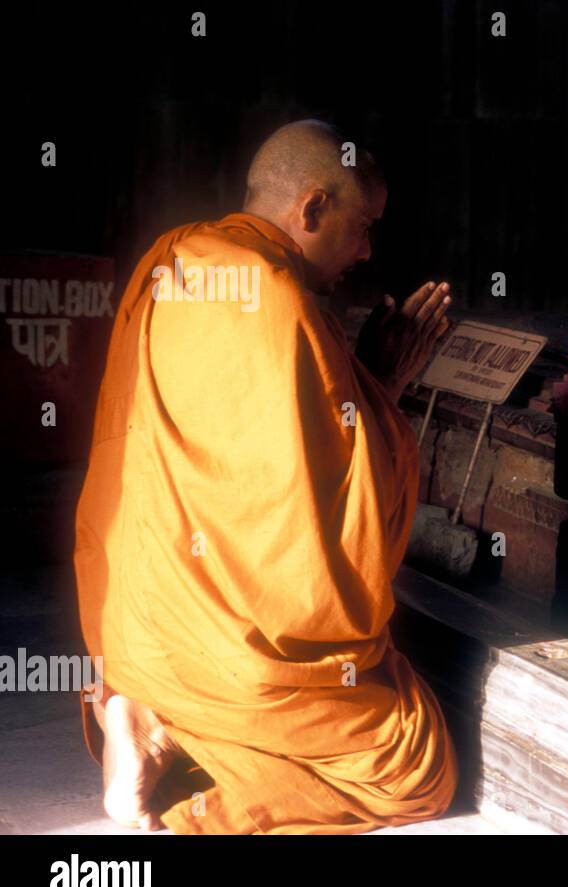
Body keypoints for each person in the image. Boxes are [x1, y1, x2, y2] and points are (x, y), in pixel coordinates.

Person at [74, 119, 459, 832]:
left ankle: (148, 722)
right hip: (229, 657)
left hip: (135, 637)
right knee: (415, 763)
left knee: (228, 711)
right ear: (311, 208)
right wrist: (383, 382)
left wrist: (354, 380)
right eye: (363, 224)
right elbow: (327, 531)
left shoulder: (173, 259)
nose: (368, 251)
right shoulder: (279, 298)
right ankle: (201, 818)